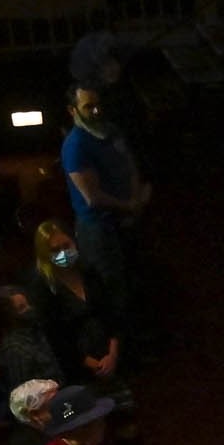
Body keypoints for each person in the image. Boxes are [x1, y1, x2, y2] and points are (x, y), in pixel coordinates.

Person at [59, 85, 147, 302]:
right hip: (99, 229)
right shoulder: (76, 144)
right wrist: (131, 206)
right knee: (111, 286)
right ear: (73, 110)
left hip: (125, 218)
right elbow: (93, 196)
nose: (96, 111)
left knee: (135, 276)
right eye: (88, 107)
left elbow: (130, 165)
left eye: (98, 105)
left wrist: (134, 200)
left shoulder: (111, 131)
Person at [27, 221, 120, 385]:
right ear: (44, 255)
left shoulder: (88, 271)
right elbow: (57, 339)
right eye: (55, 250)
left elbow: (111, 313)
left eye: (66, 245)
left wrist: (112, 355)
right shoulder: (44, 289)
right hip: (79, 367)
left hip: (112, 354)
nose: (63, 253)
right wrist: (96, 365)